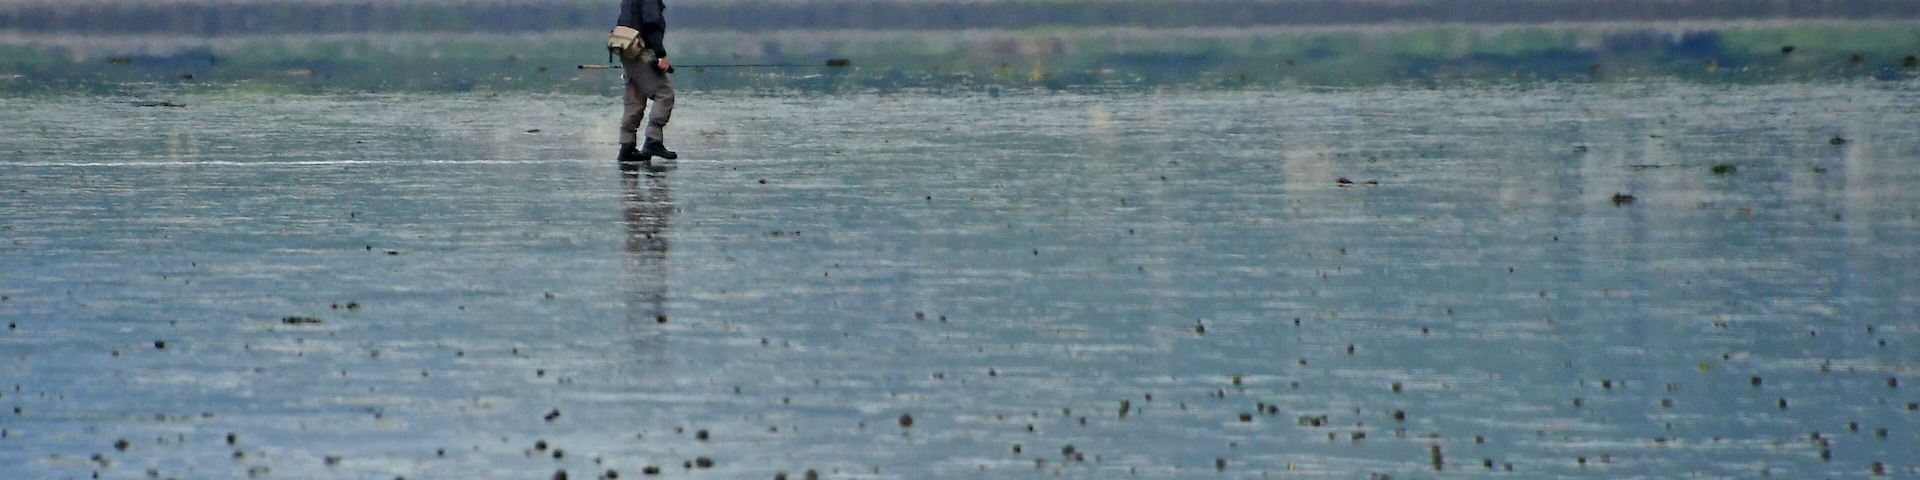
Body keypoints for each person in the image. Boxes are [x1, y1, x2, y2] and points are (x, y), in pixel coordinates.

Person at [616, 0, 676, 170]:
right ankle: (653, 140)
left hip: (627, 50)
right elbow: (650, 24)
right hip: (642, 50)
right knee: (664, 93)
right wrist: (660, 54)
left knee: (634, 97)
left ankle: (627, 147)